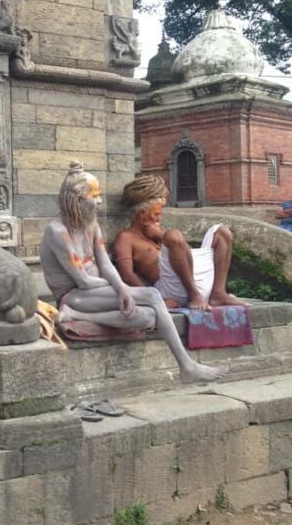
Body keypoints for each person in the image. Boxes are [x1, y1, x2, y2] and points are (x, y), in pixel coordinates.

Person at [40, 161, 221, 383]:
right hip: (75, 295)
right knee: (153, 296)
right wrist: (123, 289)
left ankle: (75, 316)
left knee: (150, 316)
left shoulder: (90, 223)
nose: (98, 202)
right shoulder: (57, 231)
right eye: (94, 196)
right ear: (77, 199)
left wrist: (123, 291)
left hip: (94, 295)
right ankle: (186, 366)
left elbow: (105, 264)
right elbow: (84, 280)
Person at [114, 174, 246, 311]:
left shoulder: (160, 233)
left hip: (197, 280)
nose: (160, 217)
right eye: (156, 213)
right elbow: (126, 275)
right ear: (142, 214)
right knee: (173, 235)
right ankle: (194, 294)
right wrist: (156, 298)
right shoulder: (126, 237)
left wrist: (160, 235)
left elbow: (187, 255)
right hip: (172, 290)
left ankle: (218, 293)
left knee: (222, 232)